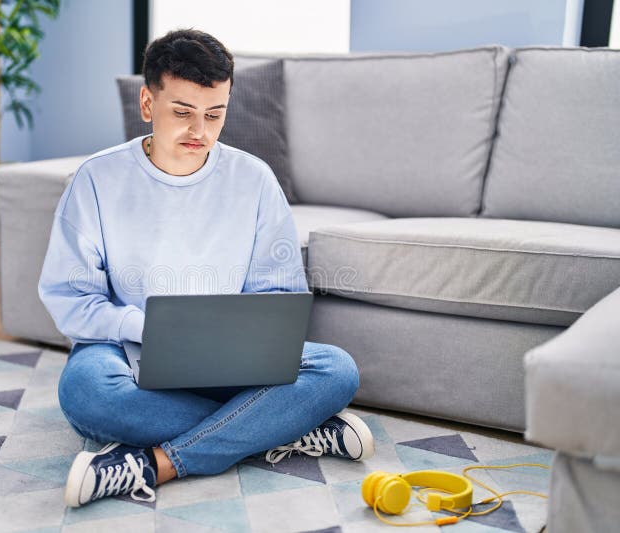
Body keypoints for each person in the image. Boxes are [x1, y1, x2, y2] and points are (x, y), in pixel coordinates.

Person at [38, 29, 375, 508]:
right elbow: (72, 299)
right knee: (87, 395)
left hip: (229, 360)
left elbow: (279, 293)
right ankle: (290, 426)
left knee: (337, 370)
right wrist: (147, 326)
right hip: (125, 353)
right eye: (183, 112)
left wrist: (232, 336)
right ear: (148, 104)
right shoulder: (96, 179)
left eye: (215, 114)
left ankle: (159, 463)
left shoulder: (254, 179)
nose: (200, 131)